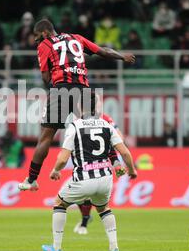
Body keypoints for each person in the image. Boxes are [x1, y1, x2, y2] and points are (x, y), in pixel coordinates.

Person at [18, 19, 135, 191]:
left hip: (61, 90)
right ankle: (115, 162)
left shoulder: (45, 45)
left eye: (37, 37)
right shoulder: (77, 38)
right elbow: (102, 51)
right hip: (83, 90)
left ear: (44, 33)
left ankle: (32, 180)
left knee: (45, 137)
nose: (36, 40)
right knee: (96, 128)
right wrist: (121, 56)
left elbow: (45, 78)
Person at [41, 93, 137, 251]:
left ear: (80, 106)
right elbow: (125, 152)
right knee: (103, 209)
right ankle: (114, 250)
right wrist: (132, 170)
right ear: (96, 106)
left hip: (84, 177)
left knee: (59, 203)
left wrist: (56, 170)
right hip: (106, 179)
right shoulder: (106, 125)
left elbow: (63, 158)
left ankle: (56, 249)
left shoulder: (75, 126)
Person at [74, 112, 126, 235]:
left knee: (89, 194)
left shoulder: (105, 118)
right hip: (85, 161)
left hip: (100, 162)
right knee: (80, 193)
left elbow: (120, 138)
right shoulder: (79, 119)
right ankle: (86, 219)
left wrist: (113, 154)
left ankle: (84, 223)